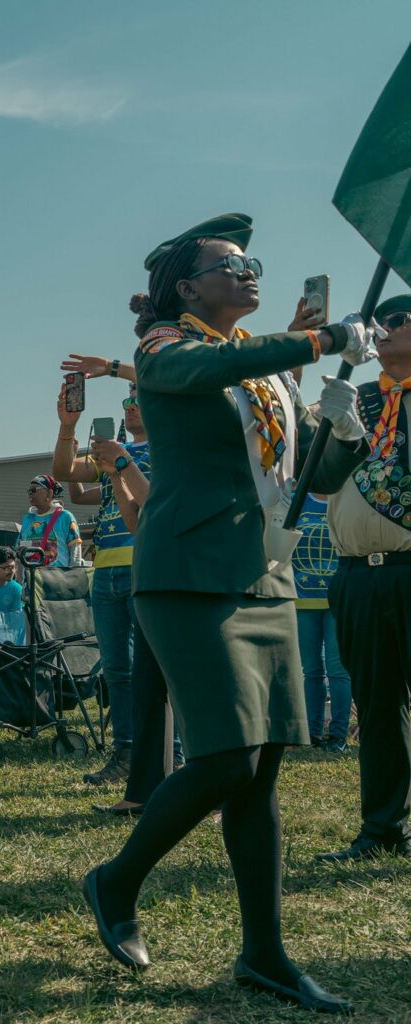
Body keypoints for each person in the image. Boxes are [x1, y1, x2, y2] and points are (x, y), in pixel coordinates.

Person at [82, 213, 370, 1013]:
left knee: (261, 770)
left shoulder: (266, 372)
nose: (249, 272)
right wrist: (317, 342)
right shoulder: (164, 349)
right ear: (186, 286)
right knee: (226, 757)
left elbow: (311, 472)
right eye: (230, 263)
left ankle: (266, 955)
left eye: (254, 263)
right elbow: (199, 374)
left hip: (263, 578)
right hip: (188, 574)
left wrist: (342, 428)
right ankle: (115, 881)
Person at [311, 292, 411, 862]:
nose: (380, 330)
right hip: (356, 573)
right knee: (375, 708)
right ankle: (382, 829)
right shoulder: (361, 397)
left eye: (394, 320)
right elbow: (322, 483)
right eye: (376, 323)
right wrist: (342, 431)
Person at [53, 379, 152, 787]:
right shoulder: (113, 451)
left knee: (155, 668)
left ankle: (171, 753)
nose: (130, 406)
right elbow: (63, 472)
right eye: (128, 399)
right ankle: (126, 753)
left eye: (140, 400)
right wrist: (68, 427)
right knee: (116, 670)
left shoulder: (166, 449)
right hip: (107, 570)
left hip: (145, 566)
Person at [291, 493, 351, 752]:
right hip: (302, 602)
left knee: (339, 671)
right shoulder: (297, 499)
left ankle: (338, 736)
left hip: (338, 601)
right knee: (310, 671)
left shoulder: (346, 499)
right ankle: (312, 733)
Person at [20, 475, 81, 568]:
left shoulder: (65, 517)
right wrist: (21, 580)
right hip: (31, 579)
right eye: (29, 490)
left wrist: (74, 574)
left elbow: (75, 549)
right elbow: (19, 552)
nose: (30, 493)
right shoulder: (27, 518)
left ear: (49, 493)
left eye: (34, 489)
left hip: (58, 579)